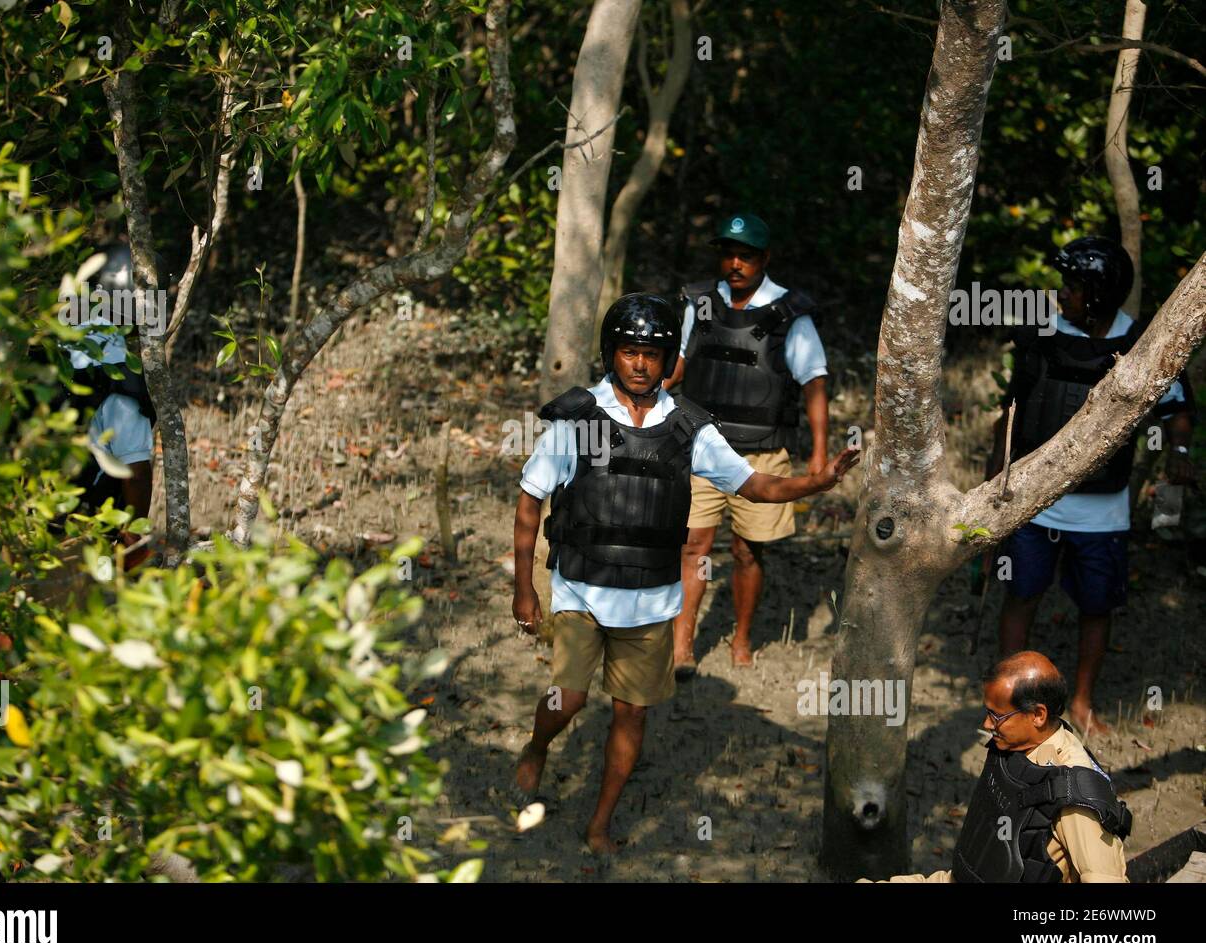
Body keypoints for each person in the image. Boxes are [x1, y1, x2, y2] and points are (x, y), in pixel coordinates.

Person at [511, 293, 859, 854]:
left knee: (632, 714)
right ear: (611, 354)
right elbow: (531, 501)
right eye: (629, 352)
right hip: (579, 586)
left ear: (670, 357)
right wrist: (524, 588)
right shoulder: (577, 418)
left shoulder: (688, 427)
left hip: (650, 601)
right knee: (568, 699)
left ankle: (600, 824)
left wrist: (814, 484)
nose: (641, 364)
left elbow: (754, 485)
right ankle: (538, 745)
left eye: (652, 353)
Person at [988, 237, 1197, 734]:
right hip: (1035, 505)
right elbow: (1012, 409)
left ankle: (1082, 704)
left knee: (1096, 607)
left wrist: (1180, 453)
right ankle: (1007, 702)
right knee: (1021, 595)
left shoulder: (1143, 347)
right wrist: (996, 474)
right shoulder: (1042, 335)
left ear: (1100, 295)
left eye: (1074, 287)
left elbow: (1179, 410)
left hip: (1103, 511)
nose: (1063, 294)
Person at [664, 213, 831, 674]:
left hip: (762, 453)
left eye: (747, 256)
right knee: (693, 546)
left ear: (764, 259)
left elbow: (814, 381)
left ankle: (741, 638)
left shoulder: (788, 314)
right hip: (700, 446)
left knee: (746, 550)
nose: (735, 264)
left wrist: (819, 453)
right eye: (728, 254)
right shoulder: (698, 302)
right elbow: (678, 366)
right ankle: (683, 646)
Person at [871, 651, 1131, 883]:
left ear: (1038, 715)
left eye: (996, 716)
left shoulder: (1075, 792)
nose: (986, 724)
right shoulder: (1013, 745)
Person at [61, 244, 156, 568]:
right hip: (83, 533)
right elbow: (136, 472)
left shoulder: (54, 344)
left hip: (25, 518)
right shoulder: (118, 368)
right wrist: (134, 538)